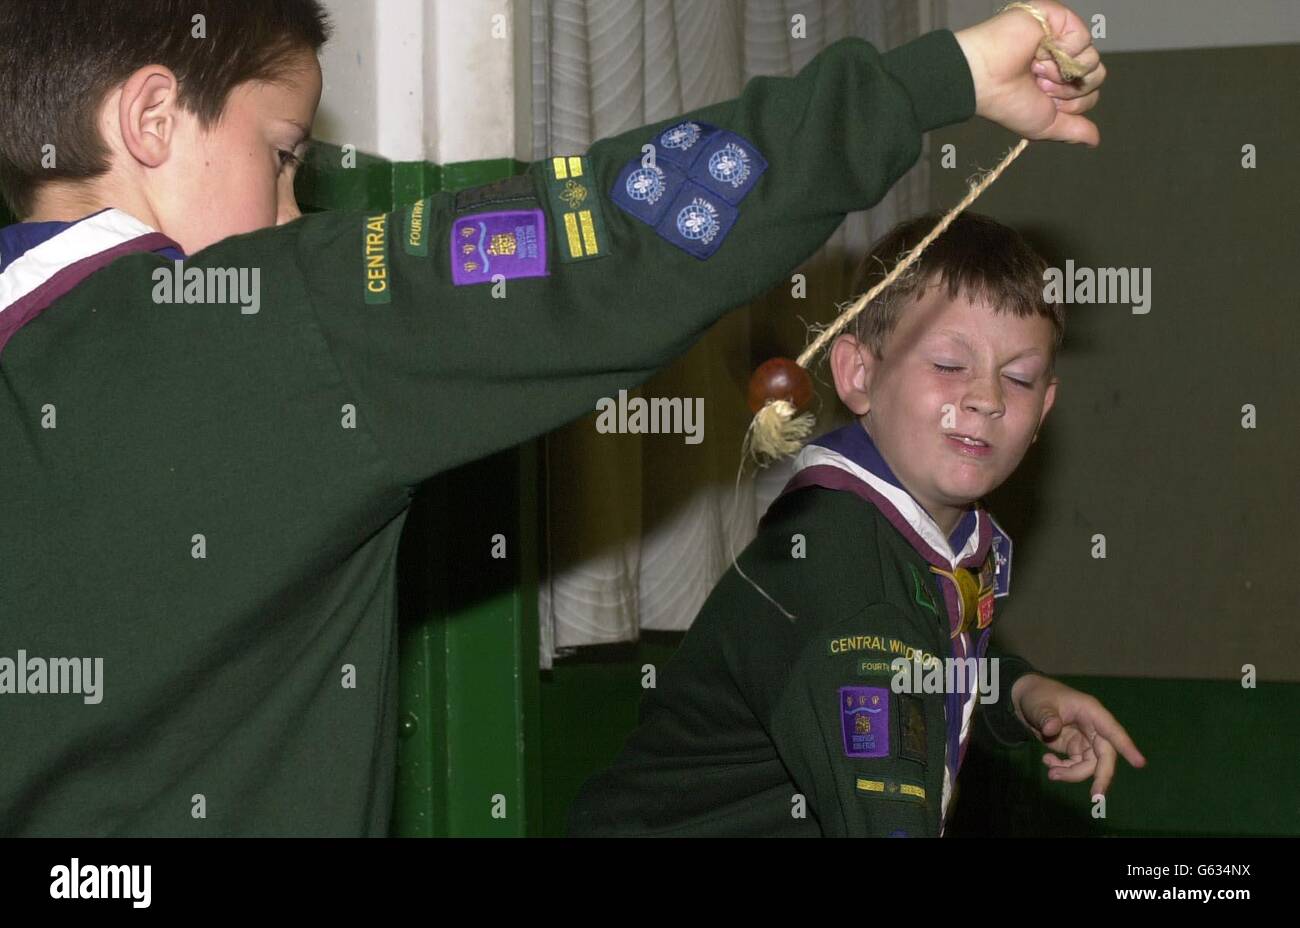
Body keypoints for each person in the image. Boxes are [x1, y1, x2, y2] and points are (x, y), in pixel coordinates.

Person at [0, 0, 1106, 835]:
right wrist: (940, 77)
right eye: (284, 157)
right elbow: (611, 235)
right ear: (152, 119)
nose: (297, 214)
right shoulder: (260, 320)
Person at [567, 212, 1146, 837]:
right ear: (858, 374)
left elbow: (927, 635)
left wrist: (1017, 690)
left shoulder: (918, 533)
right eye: (949, 364)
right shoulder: (848, 579)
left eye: (1019, 378)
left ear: (1044, 408)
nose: (987, 398)